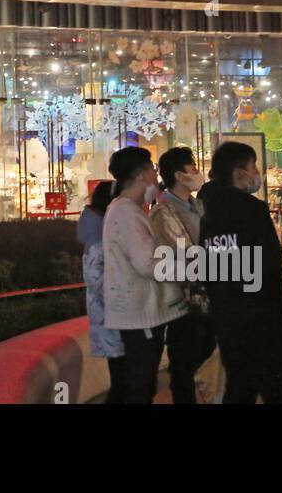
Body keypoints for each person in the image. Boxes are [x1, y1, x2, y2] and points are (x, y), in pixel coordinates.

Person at [198, 141, 282, 404]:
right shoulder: (252, 209)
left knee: (240, 385)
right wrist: (280, 308)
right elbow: (271, 261)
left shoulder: (209, 214)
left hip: (228, 316)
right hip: (260, 316)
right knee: (280, 389)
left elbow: (208, 266)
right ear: (239, 172)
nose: (257, 173)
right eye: (253, 167)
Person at [102, 147, 187, 404]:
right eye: (151, 168)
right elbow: (149, 263)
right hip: (142, 317)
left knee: (137, 384)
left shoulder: (130, 209)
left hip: (141, 315)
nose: (155, 174)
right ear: (141, 174)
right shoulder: (126, 213)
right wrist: (191, 271)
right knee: (141, 385)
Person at [150, 146, 217, 404]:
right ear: (178, 175)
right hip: (183, 298)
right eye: (193, 168)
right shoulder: (163, 211)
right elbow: (183, 252)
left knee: (202, 353)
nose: (198, 173)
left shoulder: (196, 205)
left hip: (205, 293)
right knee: (184, 363)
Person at [76, 181, 127, 401]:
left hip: (112, 318)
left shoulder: (99, 230)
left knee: (122, 380)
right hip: (113, 319)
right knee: (122, 382)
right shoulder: (99, 237)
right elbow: (98, 281)